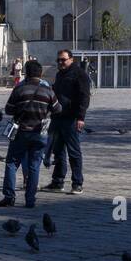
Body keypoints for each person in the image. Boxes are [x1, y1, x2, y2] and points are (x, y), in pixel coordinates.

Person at [0, 59, 61, 209]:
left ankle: (9, 196)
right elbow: (58, 109)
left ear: (26, 73)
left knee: (12, 163)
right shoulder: (48, 91)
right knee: (34, 166)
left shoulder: (19, 89)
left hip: (21, 132)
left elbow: (9, 109)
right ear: (40, 74)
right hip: (40, 133)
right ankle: (30, 200)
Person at [44, 49, 91, 194]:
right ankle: (58, 181)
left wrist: (81, 117)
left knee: (74, 152)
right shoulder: (59, 75)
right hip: (57, 117)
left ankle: (77, 183)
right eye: (58, 60)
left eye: (63, 60)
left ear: (71, 59)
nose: (60, 63)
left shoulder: (80, 74)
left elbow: (84, 97)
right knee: (58, 151)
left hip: (71, 118)